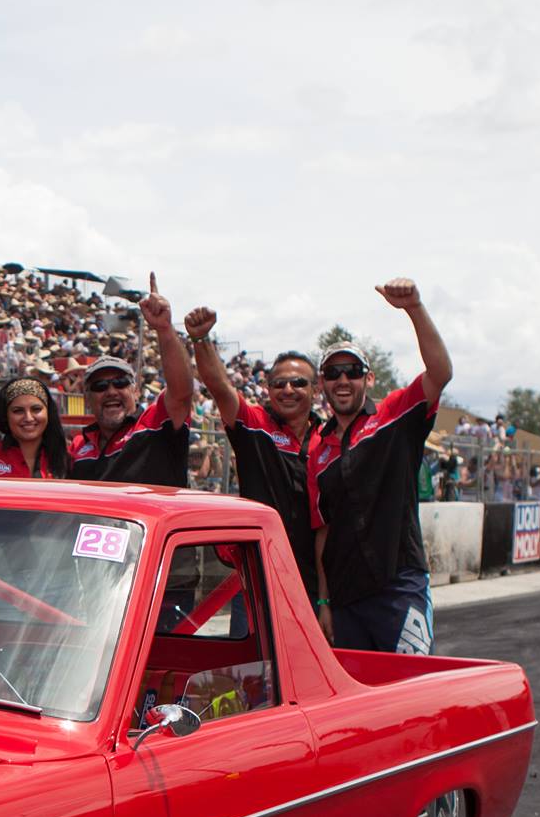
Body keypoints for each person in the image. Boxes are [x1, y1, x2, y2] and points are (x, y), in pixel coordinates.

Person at [307, 279, 455, 653]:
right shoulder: (316, 451)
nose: (343, 379)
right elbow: (322, 532)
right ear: (322, 384)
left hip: (399, 585)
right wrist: (324, 603)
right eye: (333, 372)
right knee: (359, 707)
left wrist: (414, 308)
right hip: (344, 601)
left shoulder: (394, 414)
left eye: (353, 371)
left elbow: (440, 373)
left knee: (412, 692)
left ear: (368, 379)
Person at [189, 307, 326, 605]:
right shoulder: (254, 425)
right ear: (267, 389)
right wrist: (201, 338)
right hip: (258, 581)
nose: (288, 390)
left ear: (315, 390)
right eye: (279, 384)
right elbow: (219, 386)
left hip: (315, 585)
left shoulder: (329, 439)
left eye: (299, 383)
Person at [66, 275, 195, 485]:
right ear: (87, 399)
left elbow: (181, 394)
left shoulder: (155, 425)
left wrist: (164, 330)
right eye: (99, 386)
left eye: (120, 383)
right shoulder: (78, 446)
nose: (110, 391)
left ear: (135, 392)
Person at [0, 377, 70, 478]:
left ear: (48, 412)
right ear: (6, 416)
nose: (28, 418)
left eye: (36, 409)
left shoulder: (68, 459)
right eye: (18, 411)